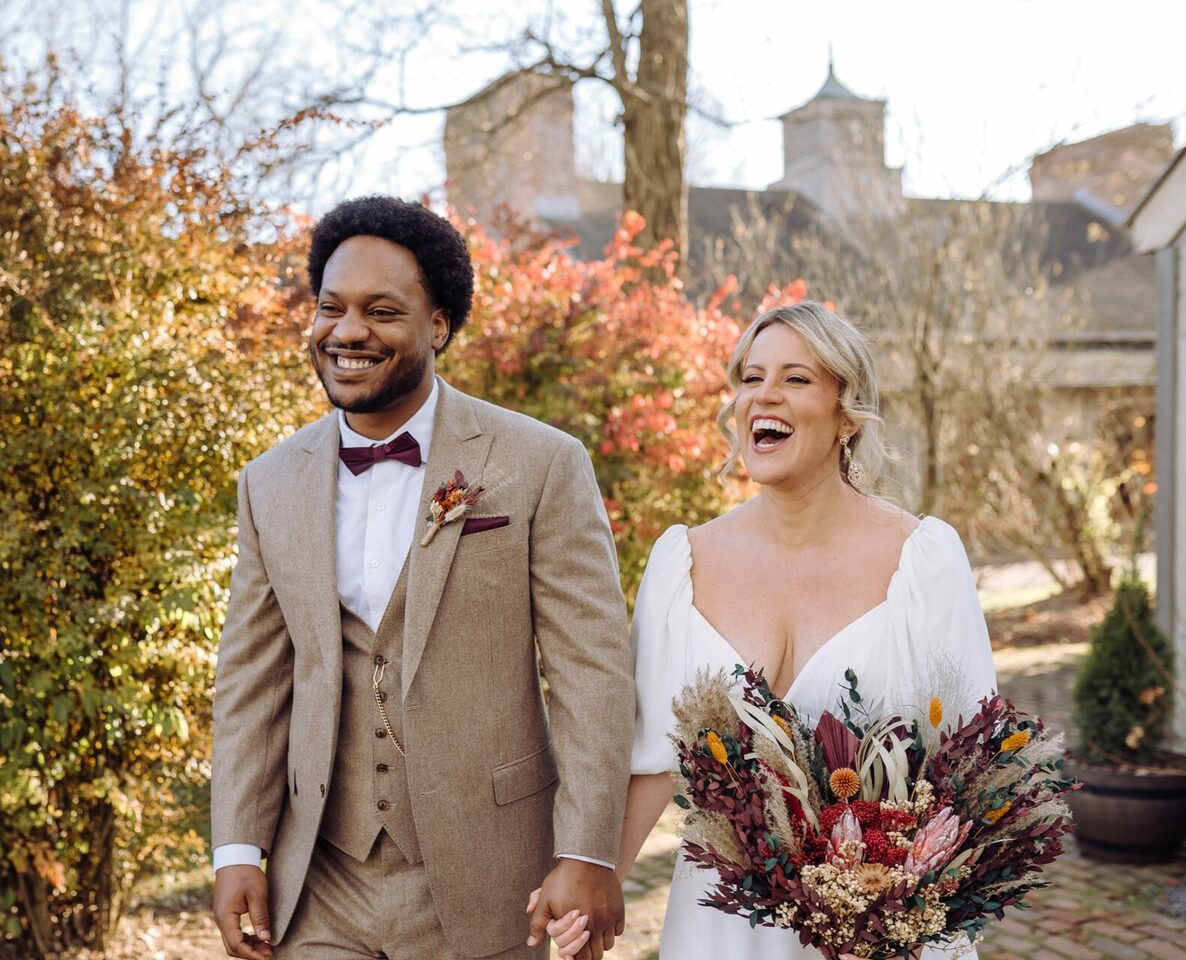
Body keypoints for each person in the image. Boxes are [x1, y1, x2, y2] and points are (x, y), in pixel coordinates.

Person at [209, 195, 635, 960]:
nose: (348, 331)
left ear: (437, 326)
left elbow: (591, 672)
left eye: (381, 311)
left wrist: (587, 851)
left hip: (491, 879)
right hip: (320, 885)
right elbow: (252, 679)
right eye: (331, 307)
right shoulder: (268, 483)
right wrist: (237, 848)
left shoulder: (540, 462)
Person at [548, 300, 998, 959]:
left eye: (796, 378)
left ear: (847, 413)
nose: (764, 395)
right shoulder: (682, 563)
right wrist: (599, 886)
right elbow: (649, 757)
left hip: (883, 923)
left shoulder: (923, 559)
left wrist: (898, 907)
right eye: (751, 378)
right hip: (722, 923)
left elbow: (971, 763)